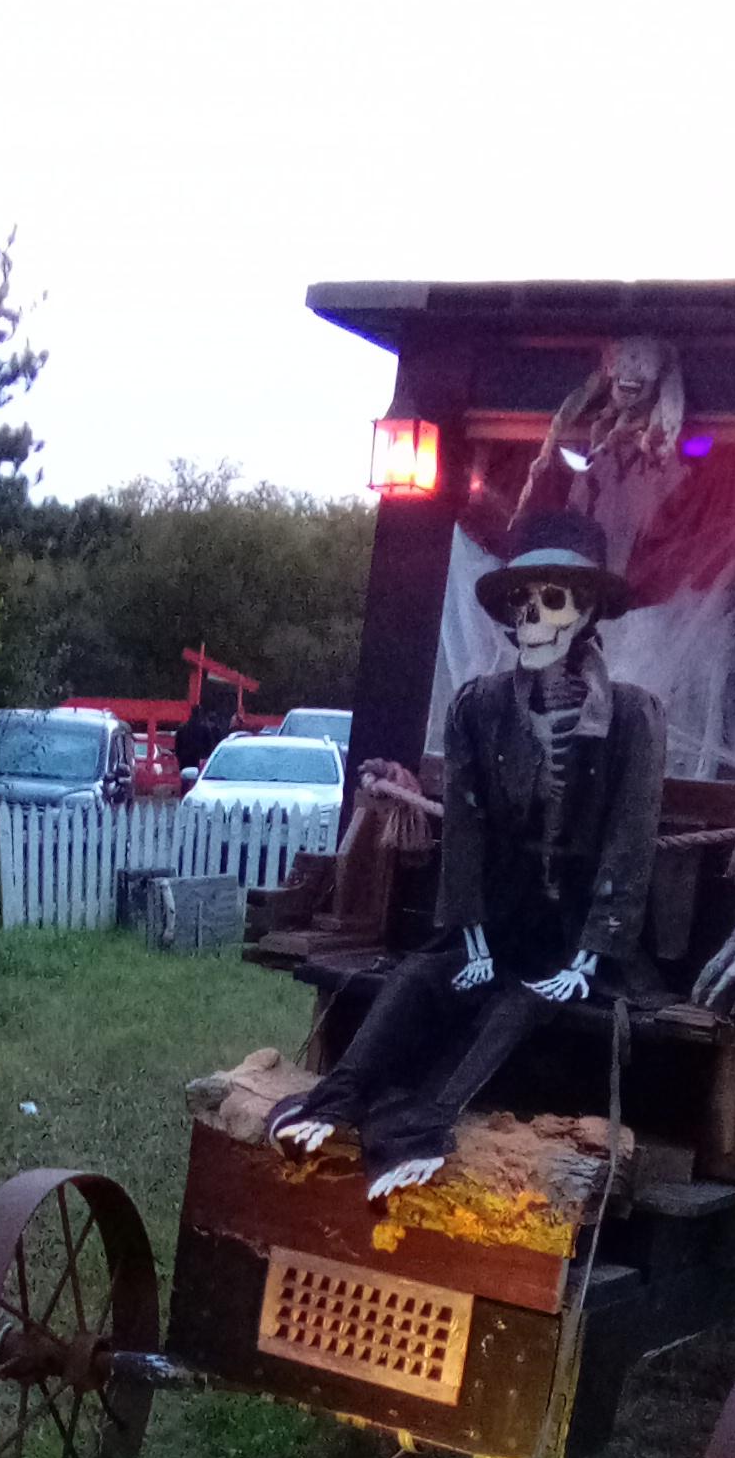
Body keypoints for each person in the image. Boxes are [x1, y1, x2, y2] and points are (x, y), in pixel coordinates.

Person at [271, 511, 664, 1201]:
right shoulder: (479, 707)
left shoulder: (631, 716)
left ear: (589, 607)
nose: (532, 618)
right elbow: (469, 835)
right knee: (425, 974)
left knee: (517, 1001)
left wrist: (587, 959)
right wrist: (473, 936)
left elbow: (627, 846)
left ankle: (420, 1125)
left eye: (553, 599)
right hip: (503, 919)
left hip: (579, 940)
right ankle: (334, 1099)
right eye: (522, 600)